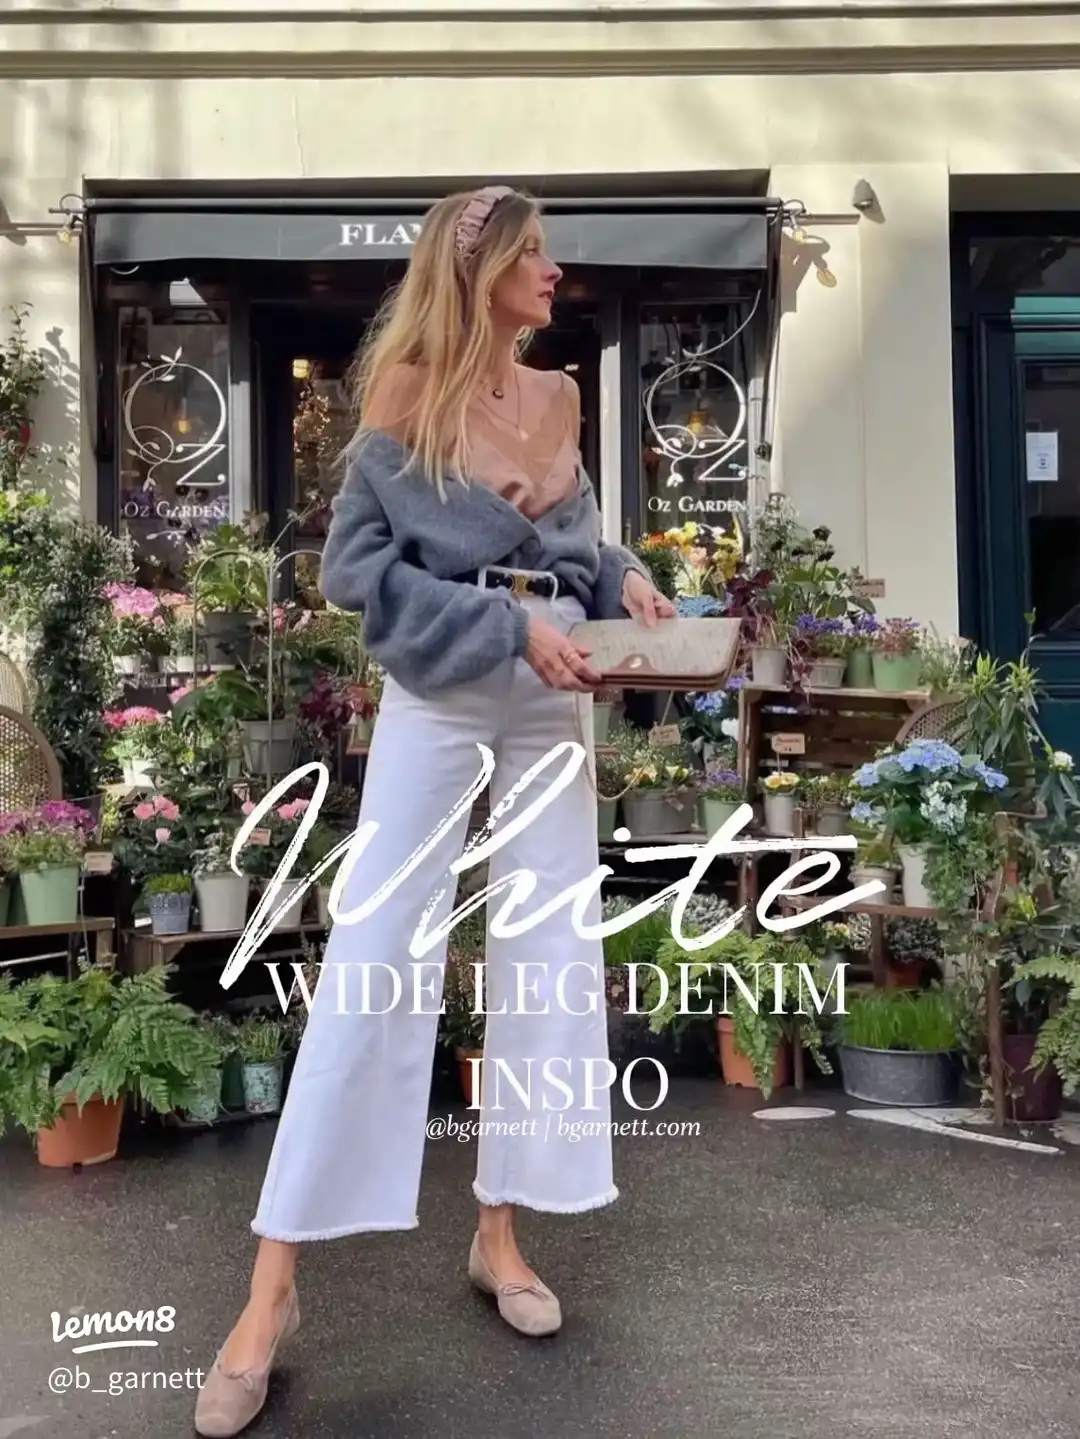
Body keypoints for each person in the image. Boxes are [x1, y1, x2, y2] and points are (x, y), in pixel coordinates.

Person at [194, 184, 674, 1438]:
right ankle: (270, 1290)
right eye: (536, 255)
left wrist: (626, 577)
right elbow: (356, 571)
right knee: (374, 960)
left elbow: (575, 538)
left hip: (553, 695)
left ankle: (500, 1236)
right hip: (447, 698)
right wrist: (501, 620)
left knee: (547, 961)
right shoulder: (403, 402)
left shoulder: (560, 399)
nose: (557, 272)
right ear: (480, 272)